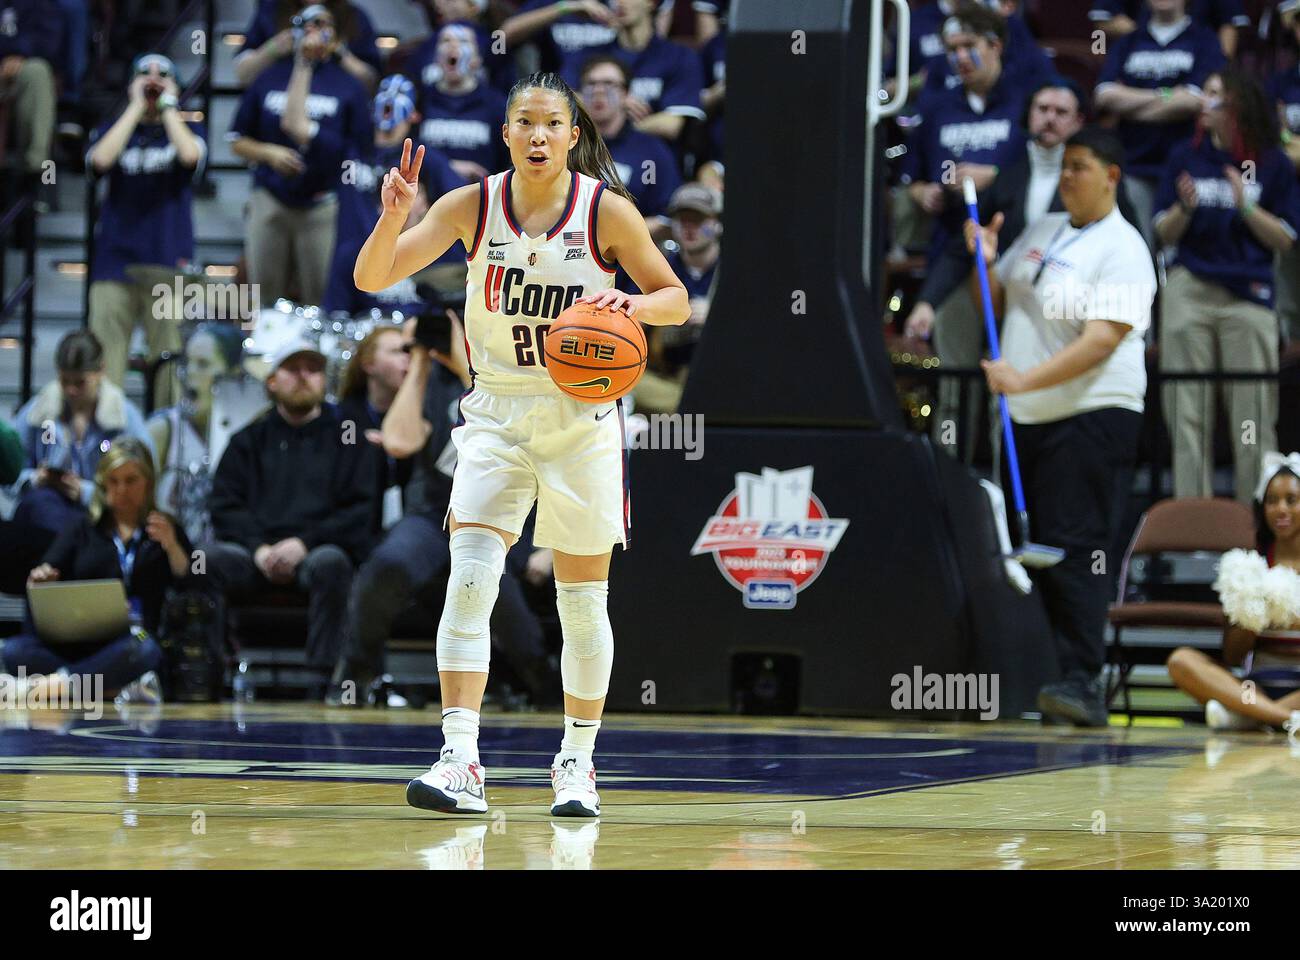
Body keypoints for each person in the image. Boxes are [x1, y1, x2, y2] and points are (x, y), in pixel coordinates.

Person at [353, 70, 689, 816]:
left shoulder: (606, 212)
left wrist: (625, 302)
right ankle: (460, 760)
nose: (538, 135)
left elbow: (677, 299)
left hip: (581, 420)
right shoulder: (470, 205)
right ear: (505, 134)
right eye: (524, 123)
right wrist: (394, 215)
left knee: (580, 601)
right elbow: (373, 275)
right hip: (498, 412)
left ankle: (576, 761)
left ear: (573, 136)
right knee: (470, 579)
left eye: (552, 124)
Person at [968, 127, 1156, 726]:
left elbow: (1103, 339)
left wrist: (1026, 380)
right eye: (1063, 167)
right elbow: (993, 306)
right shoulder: (1043, 230)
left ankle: (1084, 678)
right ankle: (1050, 675)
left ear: (1112, 176)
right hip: (1029, 417)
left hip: (1092, 413)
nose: (1068, 177)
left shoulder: (1123, 247)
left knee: (1077, 547)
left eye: (1080, 166)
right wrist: (985, 262)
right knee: (1036, 548)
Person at [329, 315, 557, 708]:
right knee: (388, 564)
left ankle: (540, 680)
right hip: (436, 513)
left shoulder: (511, 374)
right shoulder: (426, 380)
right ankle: (356, 672)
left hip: (501, 514)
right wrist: (419, 361)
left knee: (492, 585)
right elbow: (399, 442)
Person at [1154, 70, 1300, 504]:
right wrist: (1184, 207)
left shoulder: (1271, 162)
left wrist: (1246, 205)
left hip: (1249, 292)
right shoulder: (1185, 154)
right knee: (1186, 410)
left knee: (1251, 414)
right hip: (1190, 285)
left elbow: (1286, 239)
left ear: (1238, 107)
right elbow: (1163, 233)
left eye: (1216, 97)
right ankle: (1191, 517)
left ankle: (1256, 520)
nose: (1205, 103)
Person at [899, 3, 1033, 462]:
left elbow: (1039, 167)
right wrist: (922, 193)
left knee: (1008, 374)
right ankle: (951, 474)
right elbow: (912, 173)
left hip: (1013, 254)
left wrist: (993, 174)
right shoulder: (938, 107)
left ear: (995, 46)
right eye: (951, 49)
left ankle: (999, 476)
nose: (957, 58)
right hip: (953, 255)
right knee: (954, 378)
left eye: (968, 47)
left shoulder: (1026, 99)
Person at [205, 341, 375, 689]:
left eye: (312, 370)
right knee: (205, 561)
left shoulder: (349, 438)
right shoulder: (246, 441)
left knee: (333, 564)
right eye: (292, 369)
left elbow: (360, 511)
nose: (303, 377)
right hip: (255, 554)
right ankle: (210, 673)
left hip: (316, 550)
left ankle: (322, 680)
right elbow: (223, 507)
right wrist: (260, 549)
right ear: (271, 381)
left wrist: (304, 543)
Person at [1, 437, 190, 706]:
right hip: (79, 646)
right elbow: (46, 568)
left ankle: (46, 688)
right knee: (16, 651)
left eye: (131, 480)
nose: (121, 490)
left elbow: (198, 572)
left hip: (130, 642)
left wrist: (172, 547)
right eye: (113, 481)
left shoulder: (167, 528)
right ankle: (113, 689)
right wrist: (41, 577)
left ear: (148, 482)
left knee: (144, 649)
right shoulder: (82, 527)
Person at [229, 3, 372, 305]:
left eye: (322, 24)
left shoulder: (347, 84)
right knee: (264, 295)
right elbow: (236, 140)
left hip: (323, 201)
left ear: (335, 33)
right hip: (270, 196)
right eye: (306, 25)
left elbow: (360, 148)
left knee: (320, 295)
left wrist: (322, 144)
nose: (313, 32)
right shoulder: (269, 76)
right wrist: (267, 152)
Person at [87, 53, 205, 411]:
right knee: (105, 361)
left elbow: (188, 157)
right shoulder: (112, 129)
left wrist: (169, 106)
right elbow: (100, 161)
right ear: (130, 84)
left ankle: (165, 443)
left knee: (168, 360)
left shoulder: (190, 131)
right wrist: (136, 107)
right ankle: (106, 447)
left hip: (168, 261)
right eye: (144, 74)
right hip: (114, 262)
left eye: (164, 75)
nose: (153, 79)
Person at [1166, 452, 1300, 736]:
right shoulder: (1248, 566)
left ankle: (1248, 718)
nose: (1281, 510)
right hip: (1256, 686)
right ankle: (1284, 718)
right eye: (1272, 501)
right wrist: (1250, 617)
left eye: (1292, 500)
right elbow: (1233, 655)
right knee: (1181, 661)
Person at [323, 74, 467, 314]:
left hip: (410, 256)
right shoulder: (351, 148)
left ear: (414, 114)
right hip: (356, 255)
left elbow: (462, 201)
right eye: (385, 94)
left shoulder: (423, 158)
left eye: (400, 98)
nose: (390, 102)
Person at [1093, 0, 1225, 249]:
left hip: (1187, 166)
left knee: (1177, 253)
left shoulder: (1204, 40)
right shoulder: (1129, 41)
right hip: (1134, 164)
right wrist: (1168, 96)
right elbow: (1104, 95)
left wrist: (1132, 102)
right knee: (1136, 249)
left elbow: (1196, 101)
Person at [11, 331, 153, 538]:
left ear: (101, 371)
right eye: (64, 381)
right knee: (39, 504)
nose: (71, 390)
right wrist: (35, 479)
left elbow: (143, 486)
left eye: (80, 383)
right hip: (47, 509)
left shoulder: (125, 419)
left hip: (102, 518)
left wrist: (85, 493)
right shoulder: (37, 412)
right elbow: (10, 470)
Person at [147, 323, 245, 546]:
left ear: (233, 373)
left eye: (203, 364)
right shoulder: (162, 429)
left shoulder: (249, 435)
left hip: (229, 561)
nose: (189, 373)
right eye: (186, 363)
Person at [559, 0, 704, 144]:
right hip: (593, 155)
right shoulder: (587, 55)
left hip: (652, 158)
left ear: (651, 3)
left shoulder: (679, 57)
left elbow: (671, 125)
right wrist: (611, 100)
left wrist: (615, 124)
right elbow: (561, 100)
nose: (620, 3)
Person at [630, 182, 718, 413]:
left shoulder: (733, 270)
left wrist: (717, 314)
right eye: (682, 220)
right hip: (667, 379)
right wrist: (653, 312)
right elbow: (631, 315)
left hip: (719, 375)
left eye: (698, 220)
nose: (689, 228)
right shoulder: (661, 264)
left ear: (717, 224)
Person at [577, 55, 680, 241]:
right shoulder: (565, 147)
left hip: (627, 258)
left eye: (609, 84)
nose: (599, 91)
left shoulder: (652, 152)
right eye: (591, 84)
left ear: (626, 95)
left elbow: (665, 219)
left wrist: (607, 239)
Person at [413, 24, 510, 184]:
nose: (453, 45)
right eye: (446, 40)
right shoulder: (420, 100)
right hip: (430, 204)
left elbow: (509, 160)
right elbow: (403, 152)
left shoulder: (498, 105)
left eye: (463, 41)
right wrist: (448, 167)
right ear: (436, 57)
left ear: (477, 59)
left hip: (481, 200)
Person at [233, 0, 380, 91]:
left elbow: (371, 82)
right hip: (277, 102)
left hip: (335, 110)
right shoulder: (271, 10)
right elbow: (242, 74)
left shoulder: (354, 17)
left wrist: (338, 52)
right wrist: (275, 46)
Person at [0, 0, 58, 193]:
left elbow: (50, 42)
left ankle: (39, 171)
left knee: (38, 72)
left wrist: (18, 53)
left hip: (22, 69)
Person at [1270, 4, 1300, 345]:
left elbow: (1287, 144)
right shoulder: (1280, 84)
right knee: (1289, 310)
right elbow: (1274, 151)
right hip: (1289, 207)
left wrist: (1291, 142)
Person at [1088, 0, 1249, 59]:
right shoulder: (1125, 48)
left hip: (1196, 63)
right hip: (1139, 63)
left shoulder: (1206, 45)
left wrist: (1219, 73)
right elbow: (1103, 21)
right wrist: (1156, 35)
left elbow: (1230, 25)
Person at [501, 0, 618, 76]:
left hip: (604, 93)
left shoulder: (616, 5)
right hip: (556, 96)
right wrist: (566, 7)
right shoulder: (551, 3)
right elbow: (503, 36)